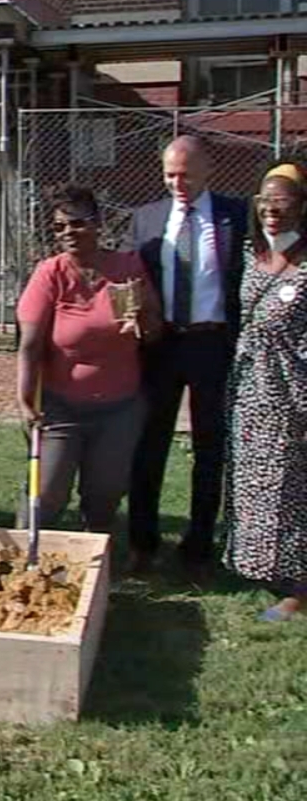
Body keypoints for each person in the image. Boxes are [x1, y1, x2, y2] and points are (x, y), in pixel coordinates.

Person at [129, 135, 247, 579]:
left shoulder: (238, 216)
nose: (177, 182)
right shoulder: (146, 220)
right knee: (149, 444)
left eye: (186, 174)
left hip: (212, 344)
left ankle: (199, 544)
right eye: (169, 174)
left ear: (207, 170)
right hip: (161, 346)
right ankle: (143, 542)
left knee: (209, 446)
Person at [16, 185, 161, 534]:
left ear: (97, 224)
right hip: (61, 407)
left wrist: (142, 317)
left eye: (77, 224)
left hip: (120, 406)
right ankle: (22, 555)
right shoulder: (50, 274)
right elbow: (30, 345)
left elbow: (153, 333)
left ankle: (94, 561)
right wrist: (24, 400)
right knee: (47, 493)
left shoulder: (127, 268)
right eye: (59, 227)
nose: (68, 233)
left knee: (105, 492)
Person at [223, 163, 307, 621]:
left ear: (302, 207)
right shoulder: (252, 253)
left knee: (290, 482)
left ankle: (299, 587)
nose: (272, 210)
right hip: (248, 387)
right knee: (255, 478)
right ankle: (263, 565)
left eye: (283, 201)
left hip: (292, 390)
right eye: (264, 201)